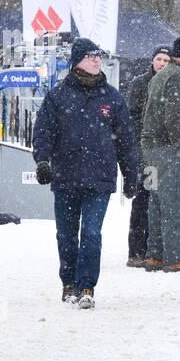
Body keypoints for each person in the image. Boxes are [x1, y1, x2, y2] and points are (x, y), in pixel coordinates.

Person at [33, 37, 139, 308]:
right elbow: (43, 131)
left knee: (91, 233)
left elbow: (126, 140)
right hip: (66, 177)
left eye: (98, 56)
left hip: (99, 179)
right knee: (66, 235)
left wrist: (131, 175)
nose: (96, 60)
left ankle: (86, 287)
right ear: (77, 60)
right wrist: (42, 161)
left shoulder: (112, 97)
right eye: (91, 56)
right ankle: (68, 282)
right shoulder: (58, 96)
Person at [140, 34, 180, 273]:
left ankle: (155, 254)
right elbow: (174, 117)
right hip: (168, 150)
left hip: (150, 149)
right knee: (173, 204)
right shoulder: (178, 78)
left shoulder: (161, 75)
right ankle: (174, 257)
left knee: (155, 202)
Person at [125, 45, 171, 268]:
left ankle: (158, 250)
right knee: (144, 200)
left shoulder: (175, 84)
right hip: (147, 155)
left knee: (164, 202)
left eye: (166, 60)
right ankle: (136, 250)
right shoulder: (140, 83)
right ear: (153, 61)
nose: (162, 63)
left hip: (168, 155)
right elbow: (131, 118)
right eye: (159, 59)